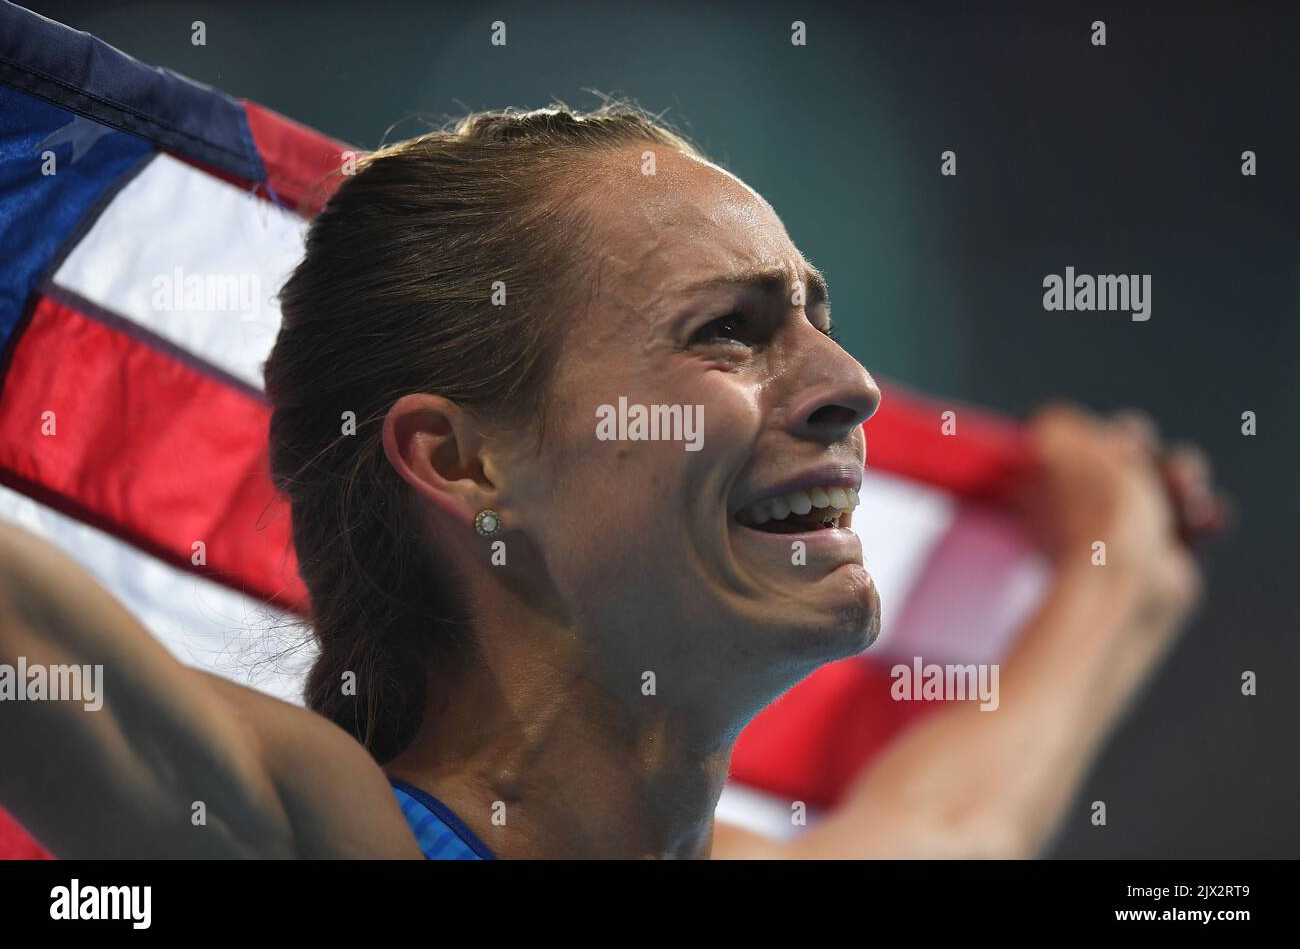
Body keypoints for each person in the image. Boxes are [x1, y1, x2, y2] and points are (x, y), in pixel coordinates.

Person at [0, 102, 1223, 859]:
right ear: (464, 460)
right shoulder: (317, 829)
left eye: (814, 317)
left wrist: (1121, 564)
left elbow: (961, 826)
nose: (849, 380)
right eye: (727, 331)